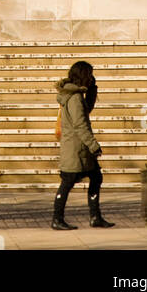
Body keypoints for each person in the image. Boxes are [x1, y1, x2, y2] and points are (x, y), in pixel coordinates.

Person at [51, 59, 114, 230]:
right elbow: (81, 124)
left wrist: (92, 90)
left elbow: (86, 111)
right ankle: (57, 218)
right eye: (90, 75)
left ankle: (95, 217)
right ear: (84, 76)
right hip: (76, 149)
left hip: (80, 148)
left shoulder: (75, 95)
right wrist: (93, 145)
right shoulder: (75, 97)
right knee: (67, 182)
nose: (92, 77)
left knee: (95, 177)